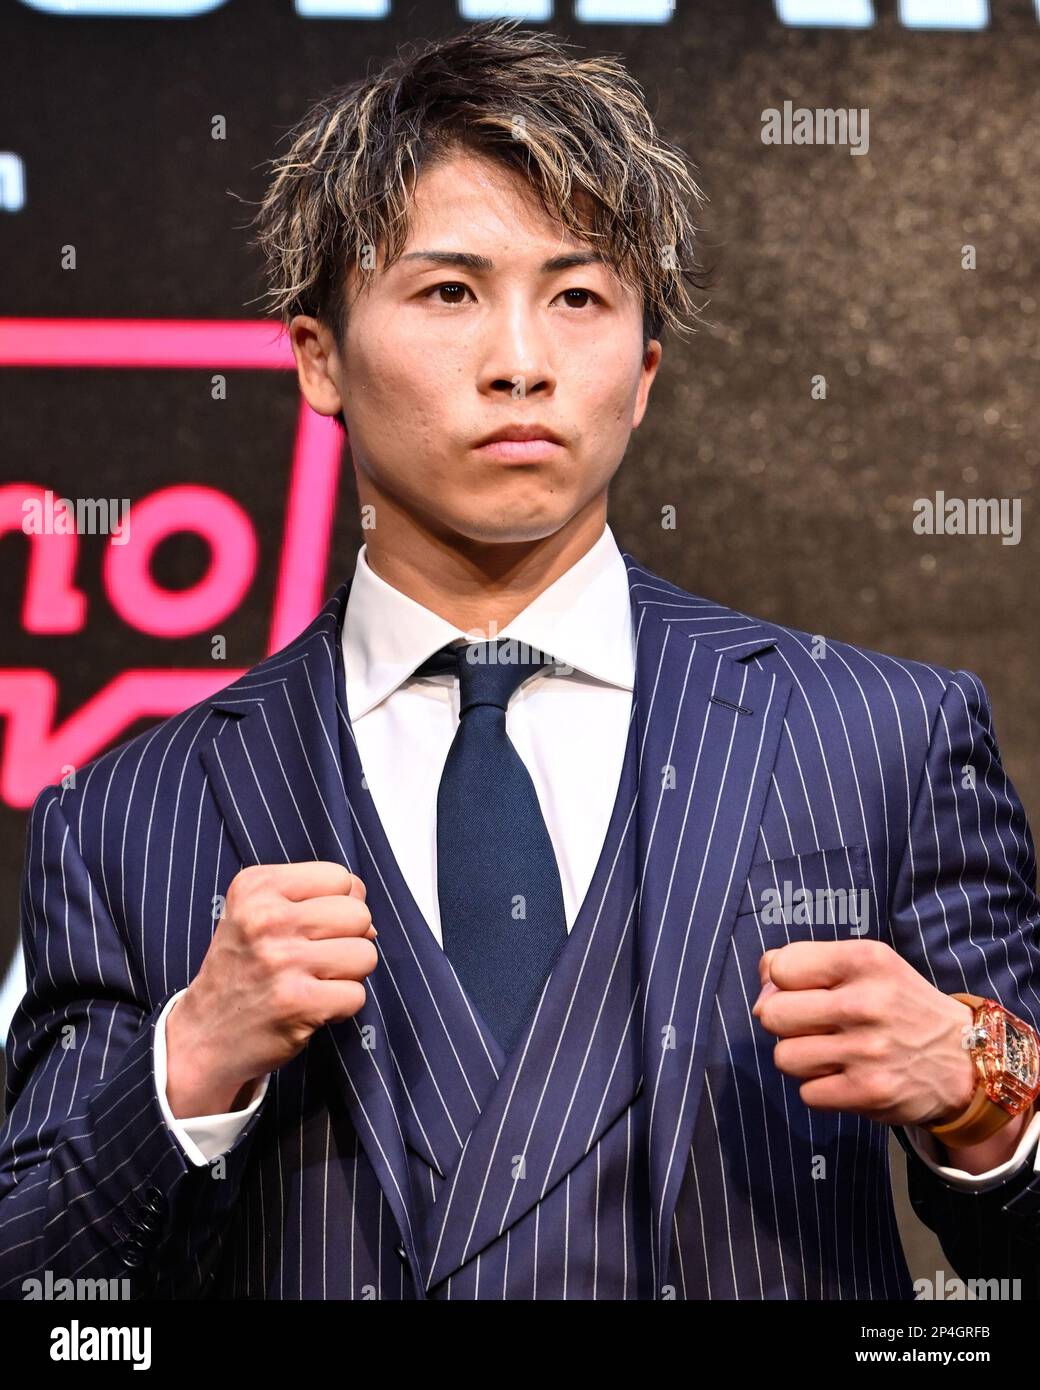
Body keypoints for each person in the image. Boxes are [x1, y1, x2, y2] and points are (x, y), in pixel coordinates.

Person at [2, 20, 1039, 1301]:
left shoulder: (878, 735)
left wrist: (986, 1106)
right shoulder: (126, 815)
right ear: (318, 357)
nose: (521, 364)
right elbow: (43, 1298)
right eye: (448, 292)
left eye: (579, 296)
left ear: (644, 370)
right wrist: (188, 1065)